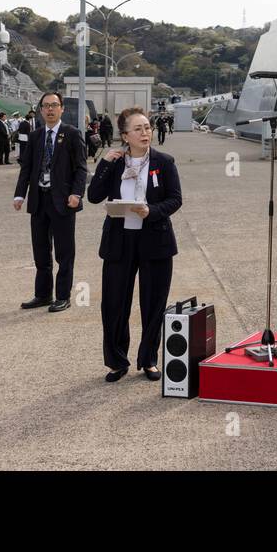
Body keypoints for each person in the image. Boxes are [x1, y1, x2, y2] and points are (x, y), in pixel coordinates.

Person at [88, 107, 182, 382]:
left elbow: (175, 199)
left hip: (155, 239)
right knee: (115, 302)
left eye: (147, 127)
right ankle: (117, 361)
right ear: (125, 135)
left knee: (153, 302)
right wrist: (104, 163)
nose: (145, 132)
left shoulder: (164, 162)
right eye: (138, 129)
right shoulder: (115, 163)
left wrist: (151, 211)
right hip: (120, 242)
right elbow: (93, 196)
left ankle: (149, 358)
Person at [13, 92, 87, 313]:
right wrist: (19, 194)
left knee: (64, 252)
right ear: (40, 110)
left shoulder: (72, 134)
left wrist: (77, 193)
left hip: (63, 201)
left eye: (54, 105)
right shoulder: (35, 136)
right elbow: (26, 168)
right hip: (39, 200)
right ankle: (43, 294)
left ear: (62, 109)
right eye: (46, 106)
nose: (50, 109)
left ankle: (63, 296)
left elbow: (81, 168)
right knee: (41, 250)